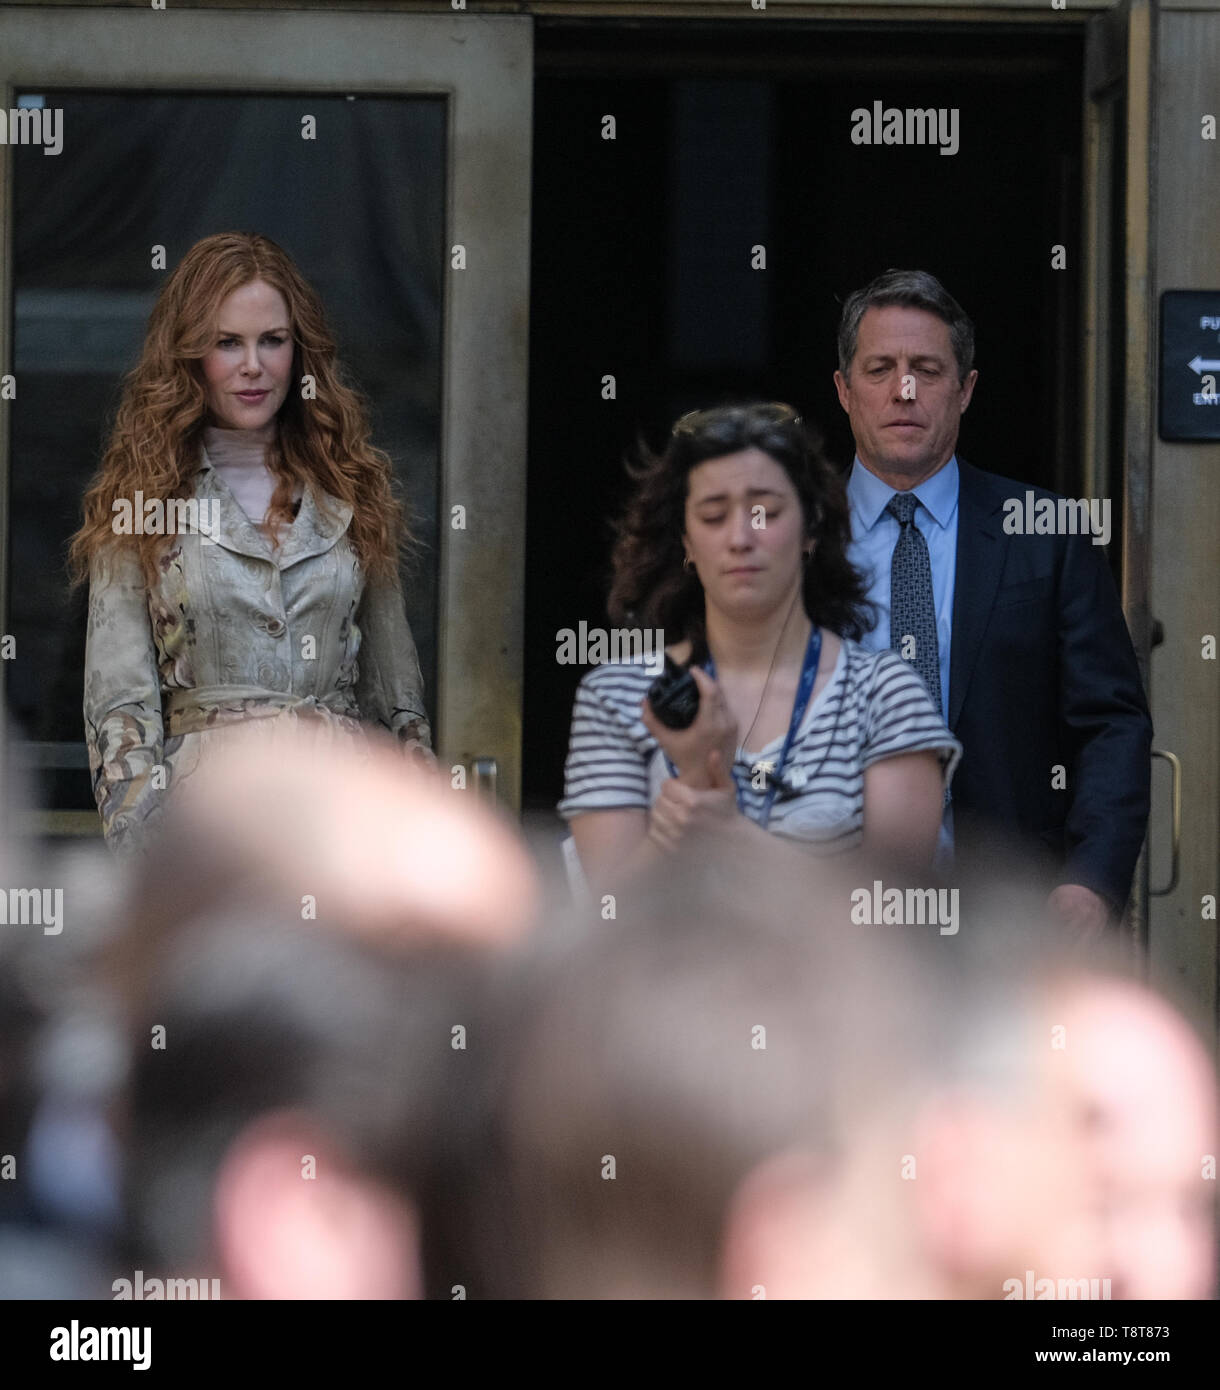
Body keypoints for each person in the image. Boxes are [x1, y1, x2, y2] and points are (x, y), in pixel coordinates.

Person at [69, 231, 432, 857]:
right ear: (189, 356)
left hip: (345, 825)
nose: (253, 366)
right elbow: (120, 707)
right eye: (226, 343)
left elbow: (396, 699)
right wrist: (145, 868)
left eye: (273, 340)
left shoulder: (352, 486)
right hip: (208, 828)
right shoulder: (140, 497)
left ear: (300, 350)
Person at [834, 269, 1152, 933]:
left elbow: (1110, 726)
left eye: (927, 368)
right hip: (829, 920)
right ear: (843, 389)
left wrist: (1089, 881)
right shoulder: (791, 540)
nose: (904, 390)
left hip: (1004, 918)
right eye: (879, 368)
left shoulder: (1049, 535)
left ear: (966, 389)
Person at [558, 402, 961, 891]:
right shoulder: (617, 696)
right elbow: (605, 923)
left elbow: (897, 914)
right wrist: (673, 826)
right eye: (712, 516)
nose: (739, 538)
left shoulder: (886, 693)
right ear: (685, 540)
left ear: (811, 527)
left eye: (764, 512)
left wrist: (729, 833)